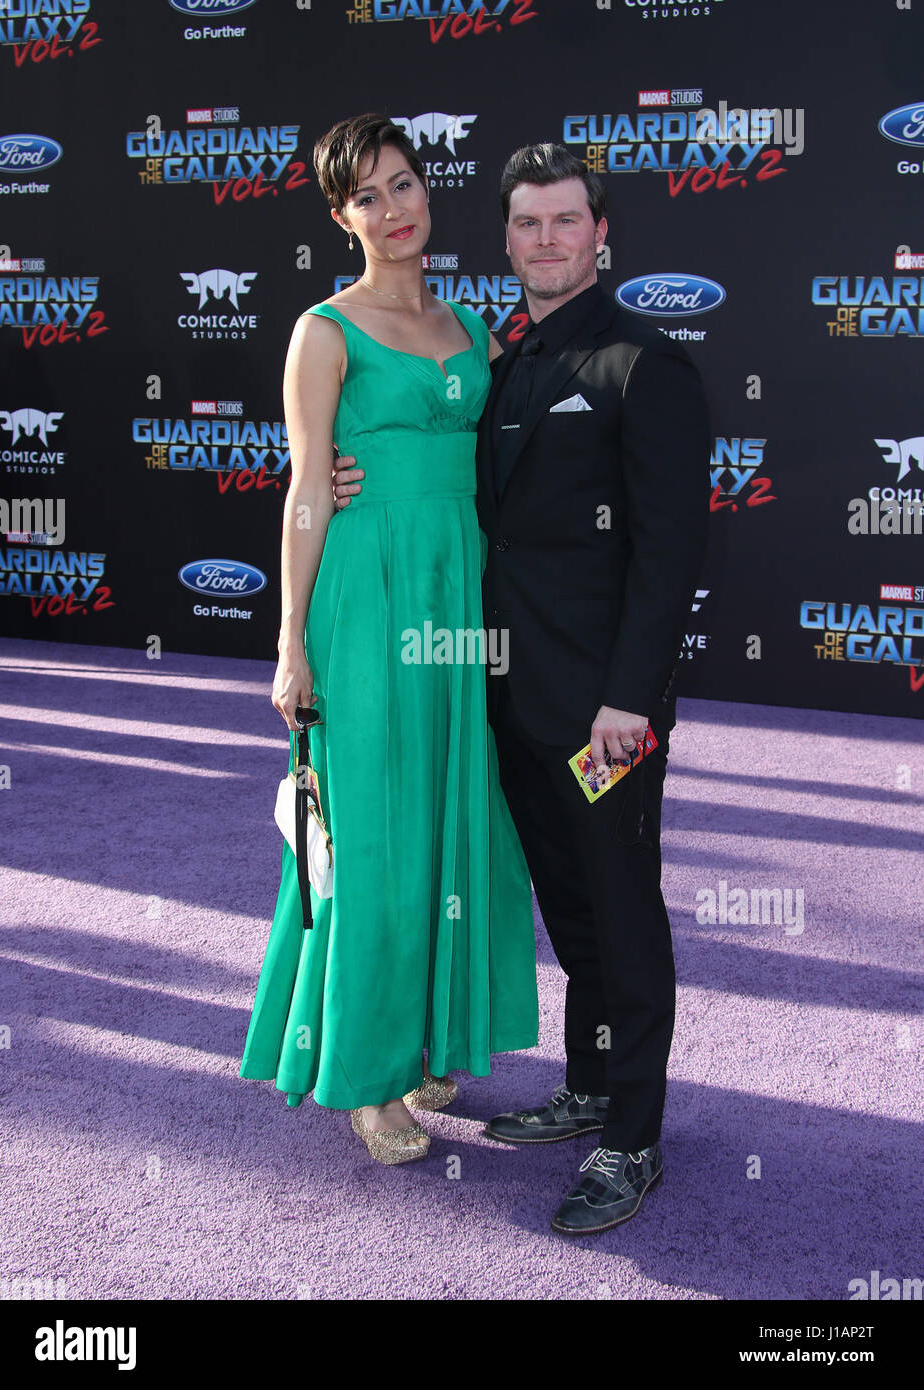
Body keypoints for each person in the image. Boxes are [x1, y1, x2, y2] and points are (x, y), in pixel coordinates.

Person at [333, 142, 710, 1229]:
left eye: (566, 221)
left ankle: (631, 1138)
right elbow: (442, 474)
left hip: (610, 716)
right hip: (509, 701)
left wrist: (630, 703)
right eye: (528, 224)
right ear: (506, 239)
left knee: (625, 914)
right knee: (573, 908)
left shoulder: (645, 365)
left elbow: (672, 554)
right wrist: (343, 473)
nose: (546, 240)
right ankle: (589, 1085)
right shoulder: (504, 363)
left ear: (602, 236)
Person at [238, 114, 539, 1165]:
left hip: (461, 603)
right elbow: (307, 488)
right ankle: (364, 1076)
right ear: (340, 216)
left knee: (450, 818)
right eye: (366, 196)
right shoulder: (324, 330)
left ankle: (426, 1039)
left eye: (404, 184)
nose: (393, 208)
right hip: (366, 602)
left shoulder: (472, 328)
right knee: (369, 833)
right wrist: (290, 643)